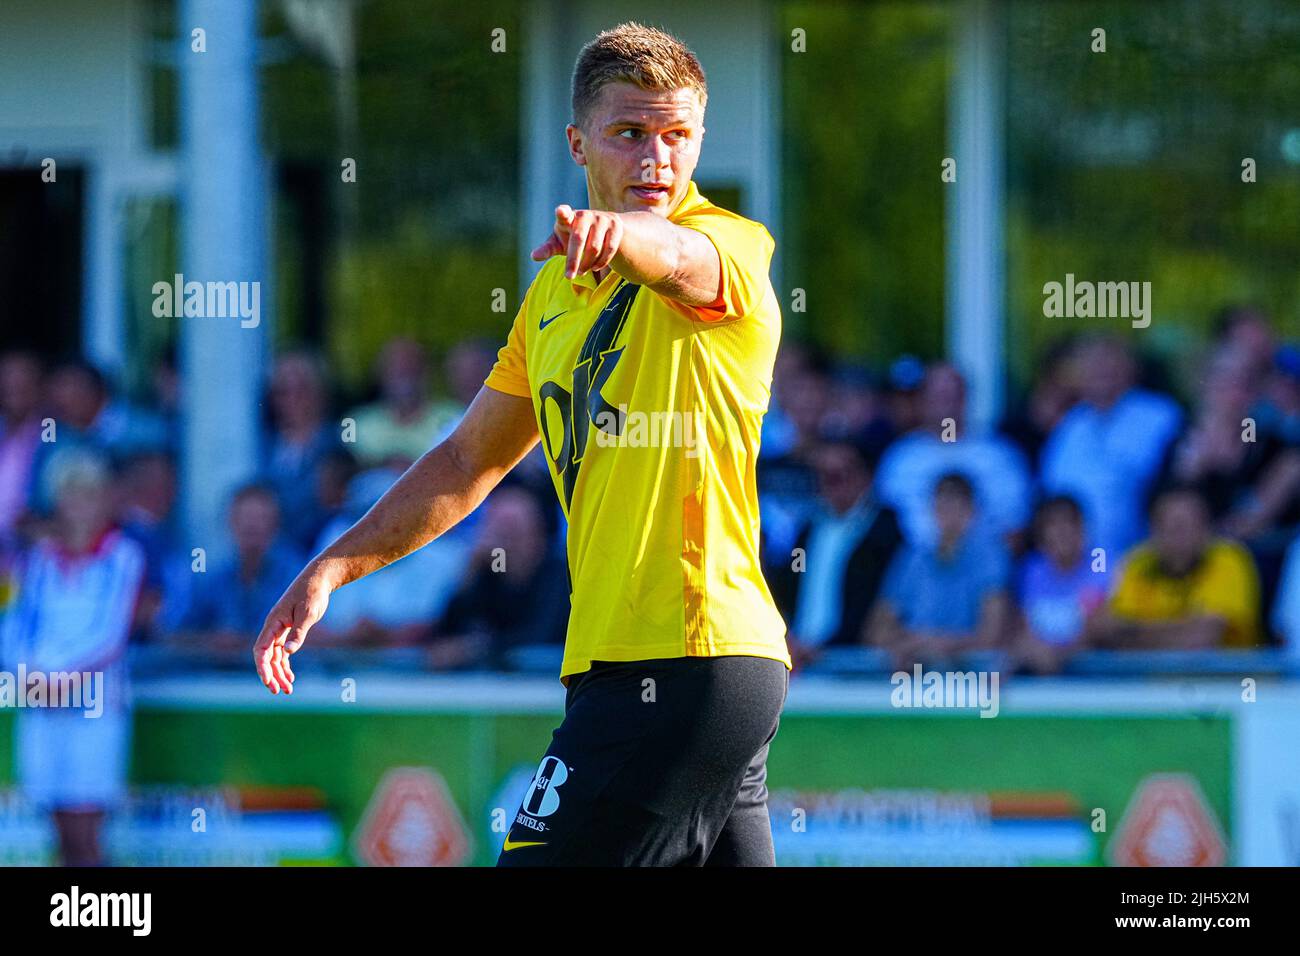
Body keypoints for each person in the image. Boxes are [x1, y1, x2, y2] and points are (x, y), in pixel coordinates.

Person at [255, 22, 790, 867]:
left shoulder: (729, 245)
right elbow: (467, 461)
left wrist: (619, 237)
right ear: (579, 142)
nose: (657, 157)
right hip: (661, 666)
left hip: (684, 655)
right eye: (630, 133)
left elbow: (677, 255)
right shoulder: (551, 293)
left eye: (677, 136)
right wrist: (334, 564)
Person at [0, 453, 145, 865]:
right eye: (71, 496)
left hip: (95, 708)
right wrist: (26, 674)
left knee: (87, 830)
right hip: (41, 705)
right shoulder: (37, 560)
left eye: (89, 495)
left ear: (105, 501)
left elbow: (111, 634)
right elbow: (14, 625)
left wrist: (64, 680)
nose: (79, 506)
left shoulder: (123, 556)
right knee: (55, 830)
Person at [1040, 336, 1182, 559]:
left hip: (1142, 557)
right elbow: (1052, 493)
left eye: (1109, 363)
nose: (1101, 372)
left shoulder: (1160, 417)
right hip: (1077, 566)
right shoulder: (1070, 427)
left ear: (1130, 369)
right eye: (1092, 365)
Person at [767, 439, 901, 668]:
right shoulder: (807, 530)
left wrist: (827, 645)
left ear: (865, 477)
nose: (830, 484)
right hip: (798, 659)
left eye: (840, 475)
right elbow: (786, 587)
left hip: (854, 661)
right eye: (823, 476)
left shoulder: (886, 532)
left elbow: (881, 599)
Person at [874, 362, 1032, 550]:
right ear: (921, 401)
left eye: (951, 396)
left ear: (964, 399)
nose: (945, 406)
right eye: (938, 397)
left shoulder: (998, 456)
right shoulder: (900, 459)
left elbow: (1015, 526)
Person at [867, 472, 1011, 669]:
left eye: (957, 505)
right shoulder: (911, 558)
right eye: (943, 504)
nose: (949, 513)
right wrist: (906, 644)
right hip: (910, 668)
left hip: (969, 672)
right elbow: (878, 630)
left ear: (973, 510)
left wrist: (936, 644)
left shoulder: (991, 558)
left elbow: (992, 635)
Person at [1092, 484, 1262, 650]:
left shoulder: (1229, 558)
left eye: (1187, 526)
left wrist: (1132, 632)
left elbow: (1203, 638)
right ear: (1153, 531)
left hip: (1225, 677)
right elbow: (1106, 629)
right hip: (1148, 677)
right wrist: (1182, 629)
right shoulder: (1138, 562)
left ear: (1206, 527)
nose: (1179, 536)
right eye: (1170, 527)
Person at [1011, 495, 1109, 675]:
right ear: (1041, 534)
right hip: (1040, 666)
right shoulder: (1032, 568)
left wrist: (1057, 653)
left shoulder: (1099, 559)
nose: (1062, 531)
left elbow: (1098, 625)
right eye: (1053, 525)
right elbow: (1024, 626)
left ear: (1082, 529)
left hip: (1091, 670)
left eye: (1069, 523)